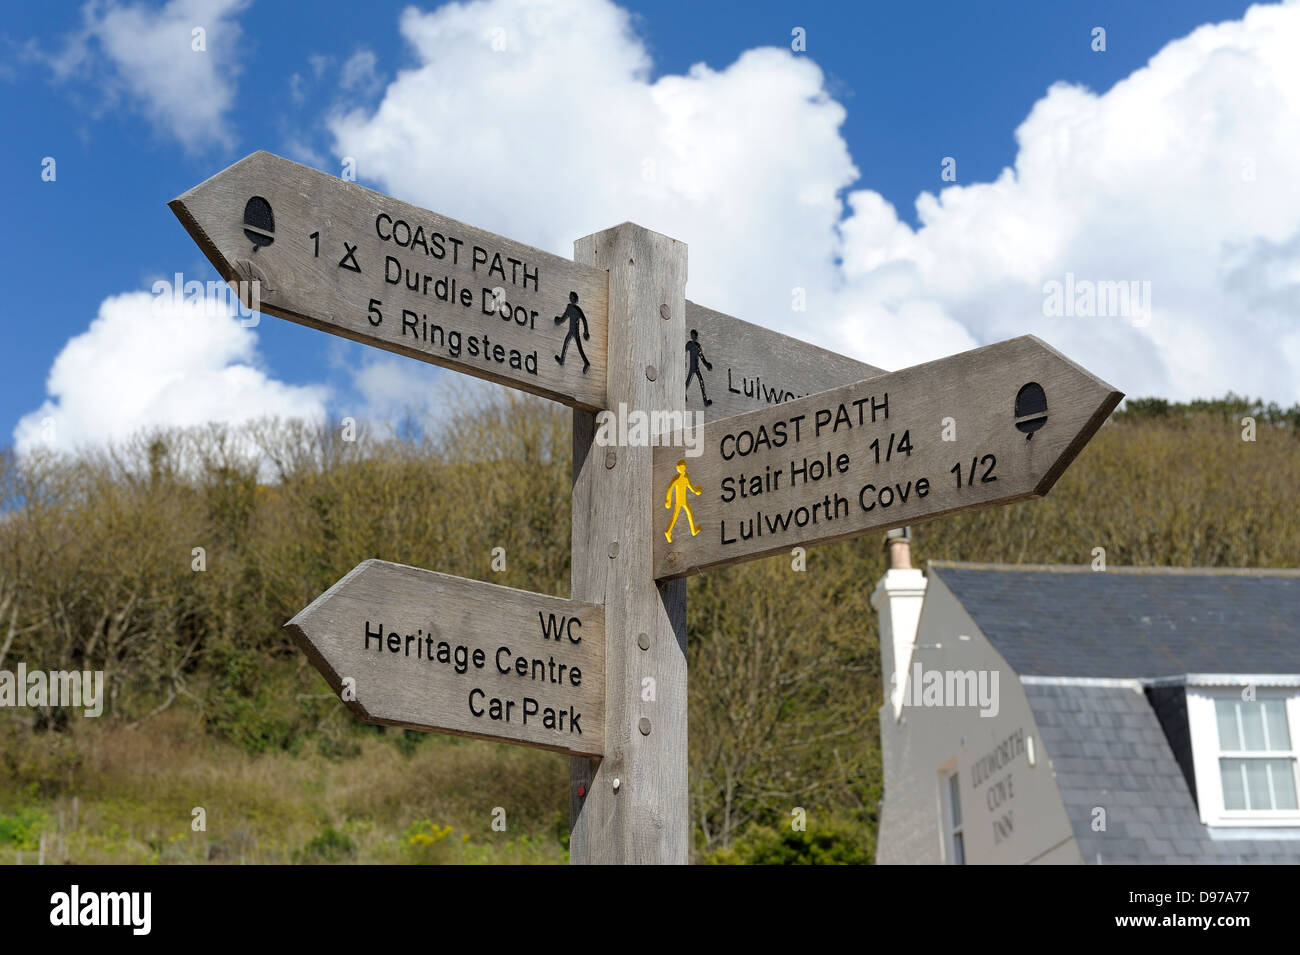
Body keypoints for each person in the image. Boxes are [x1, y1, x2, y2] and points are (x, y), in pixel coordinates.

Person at [664, 459, 702, 543]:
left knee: (688, 514)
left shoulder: (685, 478)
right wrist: (668, 500)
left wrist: (696, 491)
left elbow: (691, 487)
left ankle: (693, 531)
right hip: (680, 501)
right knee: (677, 517)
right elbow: (670, 488)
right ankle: (668, 531)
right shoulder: (678, 479)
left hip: (683, 501)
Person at [554, 291, 590, 372]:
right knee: (570, 345)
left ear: (572, 299)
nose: (570, 298)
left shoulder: (571, 308)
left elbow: (563, 318)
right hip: (573, 331)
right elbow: (584, 320)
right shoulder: (576, 309)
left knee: (577, 347)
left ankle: (585, 363)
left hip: (573, 331)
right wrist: (586, 332)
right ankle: (562, 360)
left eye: (570, 297)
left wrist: (557, 321)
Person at [685, 329, 712, 406]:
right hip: (694, 367)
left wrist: (706, 364)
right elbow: (702, 357)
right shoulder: (694, 345)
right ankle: (705, 401)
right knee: (700, 382)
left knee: (692, 381)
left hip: (694, 367)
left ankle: (705, 401)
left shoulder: (691, 345)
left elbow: (701, 357)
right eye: (693, 335)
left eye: (694, 335)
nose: (694, 337)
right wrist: (707, 364)